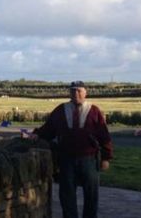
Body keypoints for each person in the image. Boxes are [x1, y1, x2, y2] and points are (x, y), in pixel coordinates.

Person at [32, 81, 113, 218]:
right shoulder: (60, 110)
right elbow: (49, 129)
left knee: (91, 194)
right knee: (67, 195)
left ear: (85, 93)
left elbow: (104, 135)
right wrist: (36, 134)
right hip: (66, 159)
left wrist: (106, 157)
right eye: (73, 91)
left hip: (89, 159)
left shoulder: (94, 111)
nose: (76, 94)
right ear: (69, 93)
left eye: (79, 91)